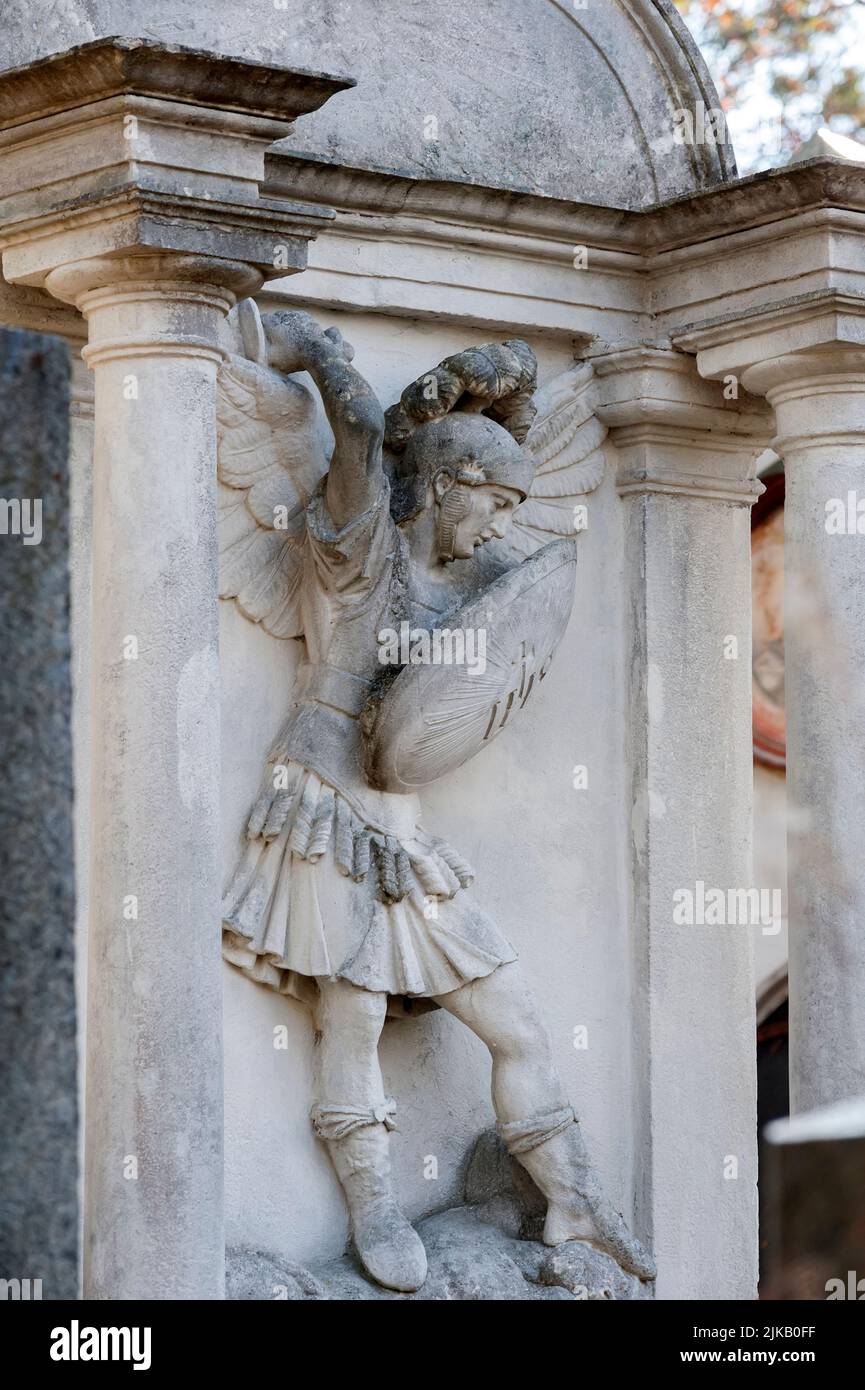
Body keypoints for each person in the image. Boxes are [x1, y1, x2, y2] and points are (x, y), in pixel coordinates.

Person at [222, 310, 654, 1292]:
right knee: (353, 1014)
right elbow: (367, 439)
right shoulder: (358, 548)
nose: (504, 525)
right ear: (451, 483)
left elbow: (478, 672)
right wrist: (323, 360)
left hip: (401, 821)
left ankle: (573, 1199)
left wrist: (494, 383)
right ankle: (372, 1202)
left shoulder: (468, 582)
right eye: (496, 501)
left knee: (516, 1019)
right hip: (323, 800)